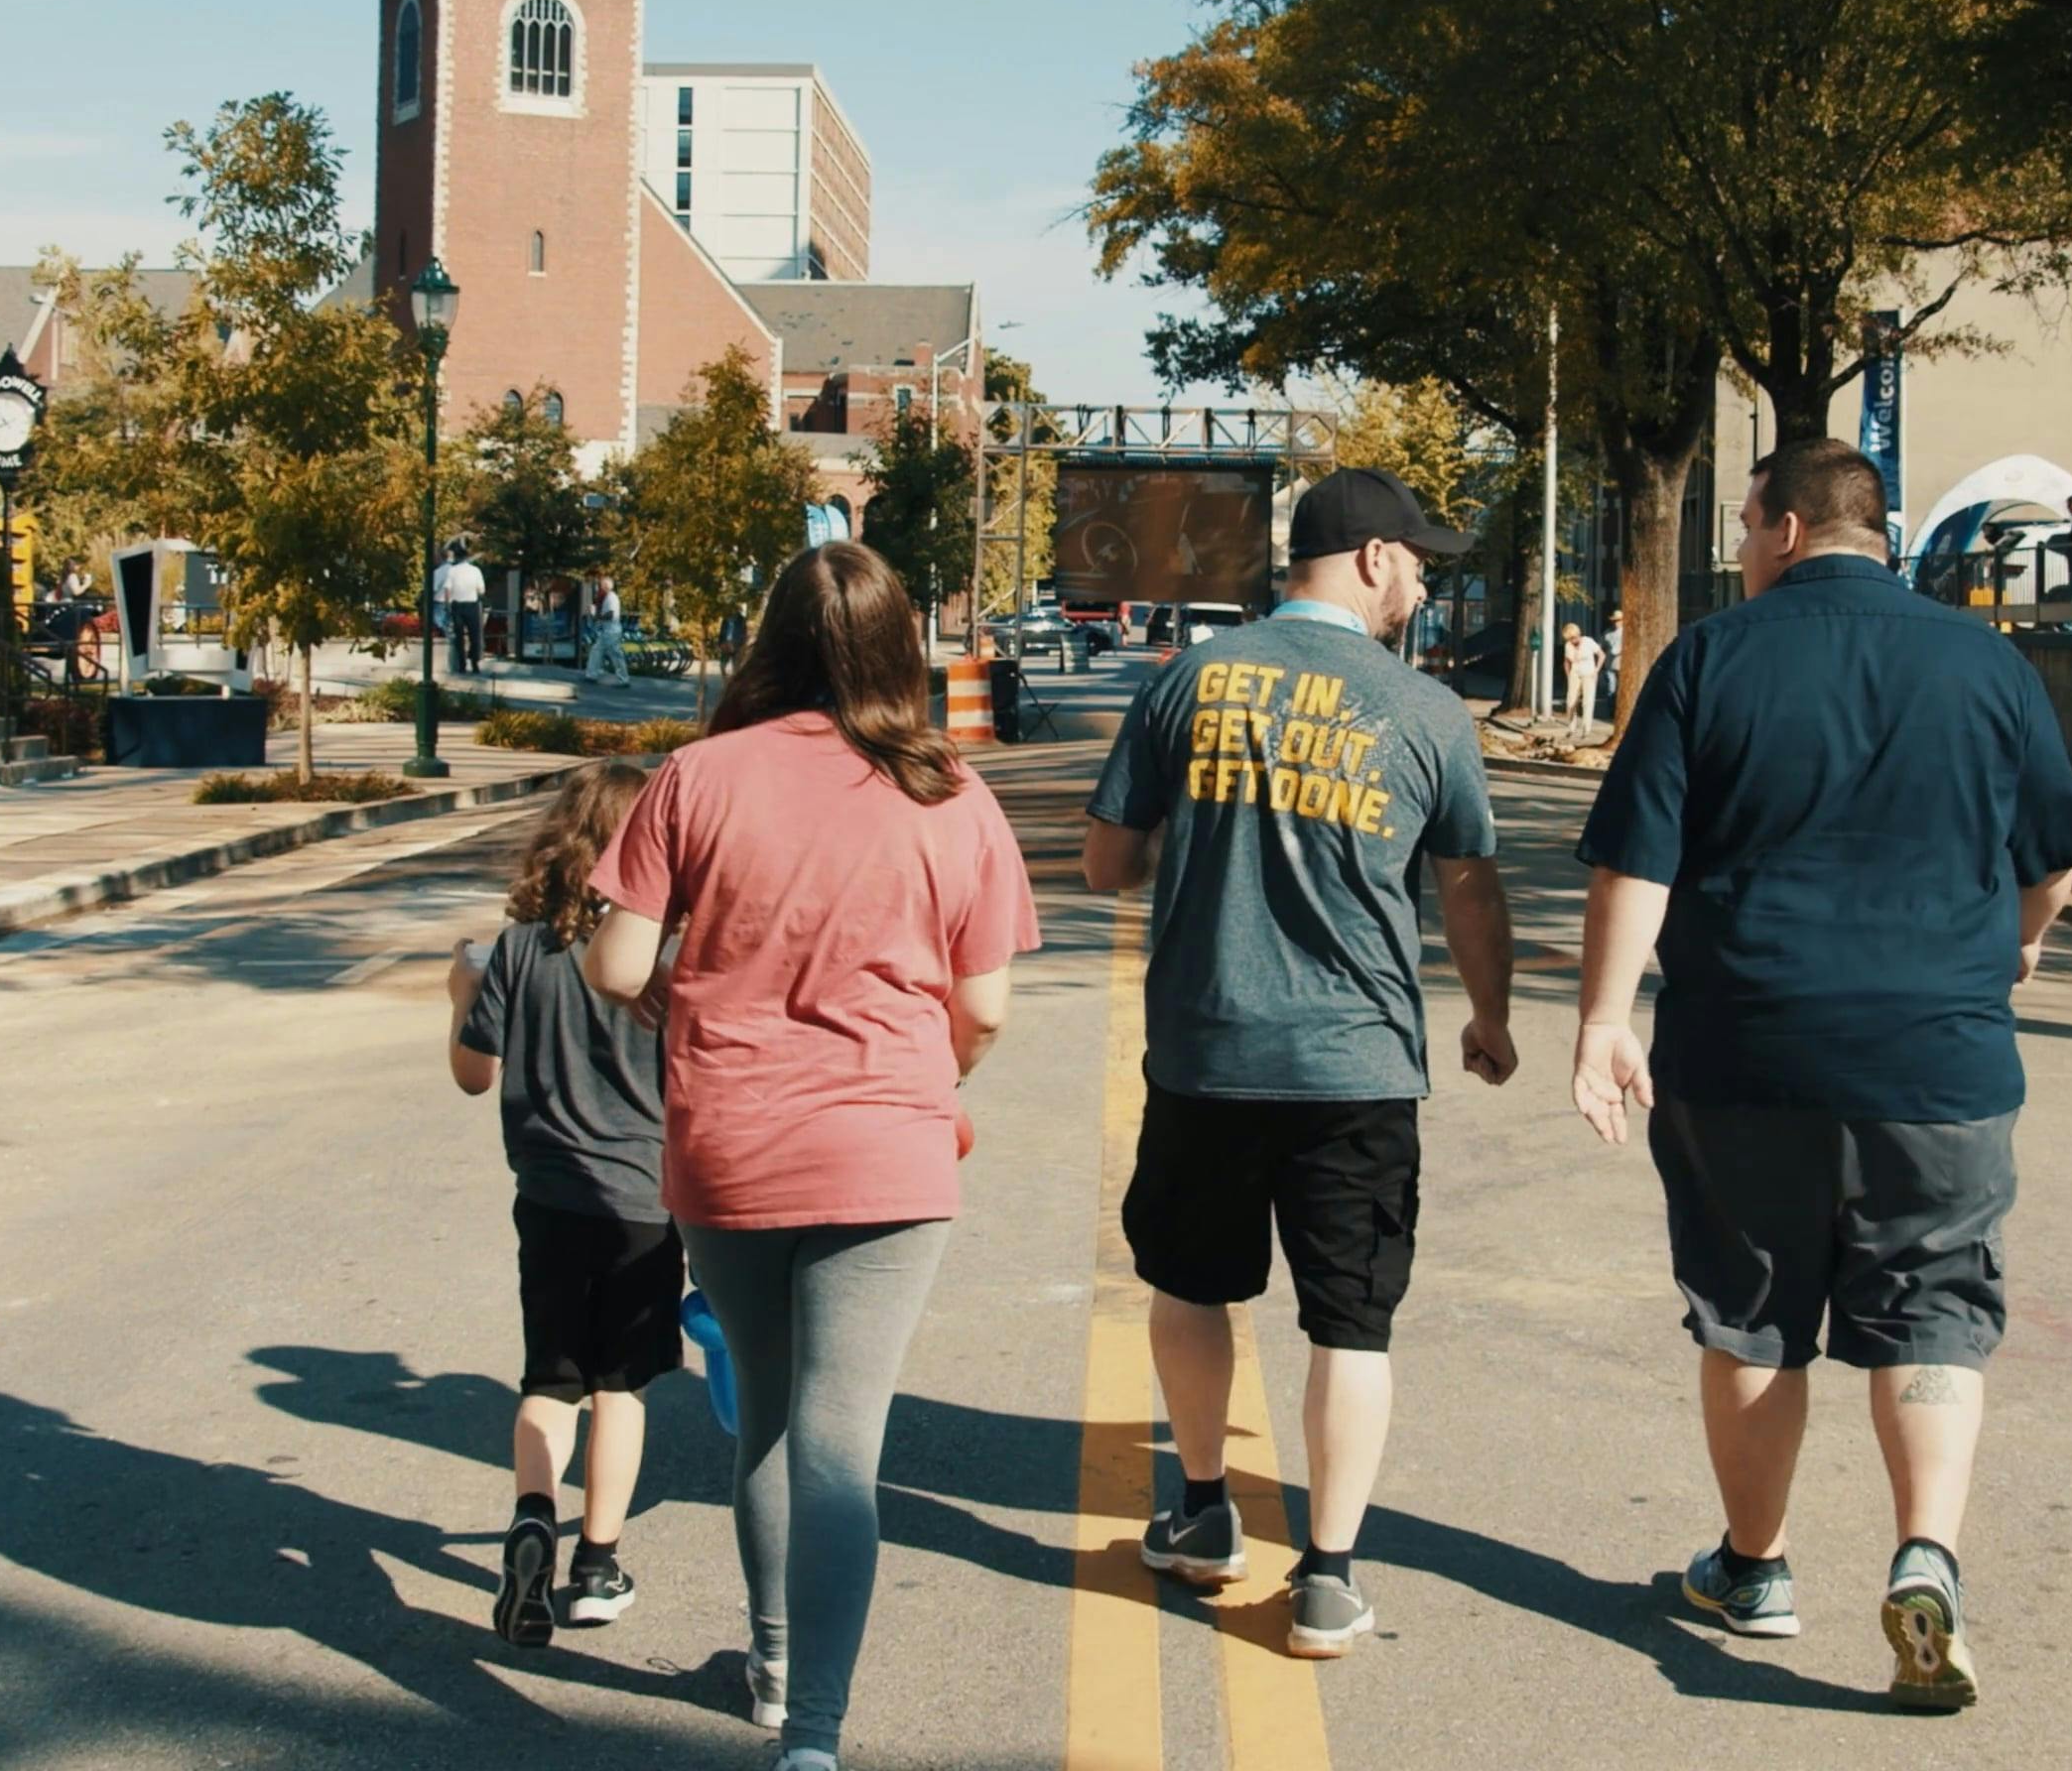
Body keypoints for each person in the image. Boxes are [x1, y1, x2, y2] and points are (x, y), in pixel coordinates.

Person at [1569, 437, 2072, 1714]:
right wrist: (2016, 949)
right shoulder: (1989, 664)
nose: (1741, 550)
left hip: (1744, 1045)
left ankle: (1755, 1572)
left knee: (1752, 1310)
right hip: (1940, 1058)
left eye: (1748, 526)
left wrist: (1603, 1016)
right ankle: (1927, 1556)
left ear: (1792, 530)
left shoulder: (1708, 658)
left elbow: (1637, 860)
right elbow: (2057, 853)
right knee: (1931, 1309)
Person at [584, 539, 1040, 1771]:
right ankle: (816, 1737)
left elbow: (618, 966)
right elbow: (985, 1002)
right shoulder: (951, 792)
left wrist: (688, 1006)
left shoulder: (694, 775)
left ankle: (775, 1665)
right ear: (901, 650)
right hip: (885, 1148)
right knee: (844, 1442)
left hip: (728, 1143)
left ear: (769, 642)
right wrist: (922, 1074)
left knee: (768, 1422)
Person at [1082, 465, 1517, 1661]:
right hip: (1359, 1066)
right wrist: (1490, 1017)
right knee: (1352, 1325)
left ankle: (1207, 1508)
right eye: (1417, 560)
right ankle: (1327, 1574)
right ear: (1371, 557)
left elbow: (1102, 866)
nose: (1422, 581)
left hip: (1208, 1052)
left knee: (1190, 1284)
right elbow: (1468, 884)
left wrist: (1204, 823)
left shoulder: (1190, 685)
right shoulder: (1425, 712)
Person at [450, 763, 673, 1644]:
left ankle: (532, 1517)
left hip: (545, 1197)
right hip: (645, 1202)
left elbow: (474, 1077)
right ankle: (596, 1562)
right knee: (620, 1389)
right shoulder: (668, 947)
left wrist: (461, 996)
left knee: (550, 1382)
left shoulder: (518, 947)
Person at [440, 540, 489, 677]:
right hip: (472, 605)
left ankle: (462, 665)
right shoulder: (475, 571)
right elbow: (481, 591)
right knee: (475, 635)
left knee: (459, 637)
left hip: (457, 605)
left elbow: (447, 589)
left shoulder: (452, 571)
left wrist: (447, 605)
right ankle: (475, 664)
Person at [1560, 620, 1604, 726]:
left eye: (1574, 638)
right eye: (1570, 639)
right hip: (1575, 671)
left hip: (1589, 671)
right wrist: (1568, 675)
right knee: (1571, 700)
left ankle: (1586, 726)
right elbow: (1566, 661)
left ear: (1578, 634)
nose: (1573, 641)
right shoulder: (1568, 645)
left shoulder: (1588, 641)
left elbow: (1601, 655)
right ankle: (1571, 726)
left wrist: (1597, 669)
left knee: (1587, 701)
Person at [588, 577, 629, 687]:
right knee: (596, 650)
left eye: (601, 585)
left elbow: (611, 614)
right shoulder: (608, 598)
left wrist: (598, 617)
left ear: (606, 586)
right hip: (608, 631)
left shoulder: (612, 598)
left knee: (615, 655)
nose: (599, 588)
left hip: (612, 631)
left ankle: (624, 679)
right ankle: (592, 675)